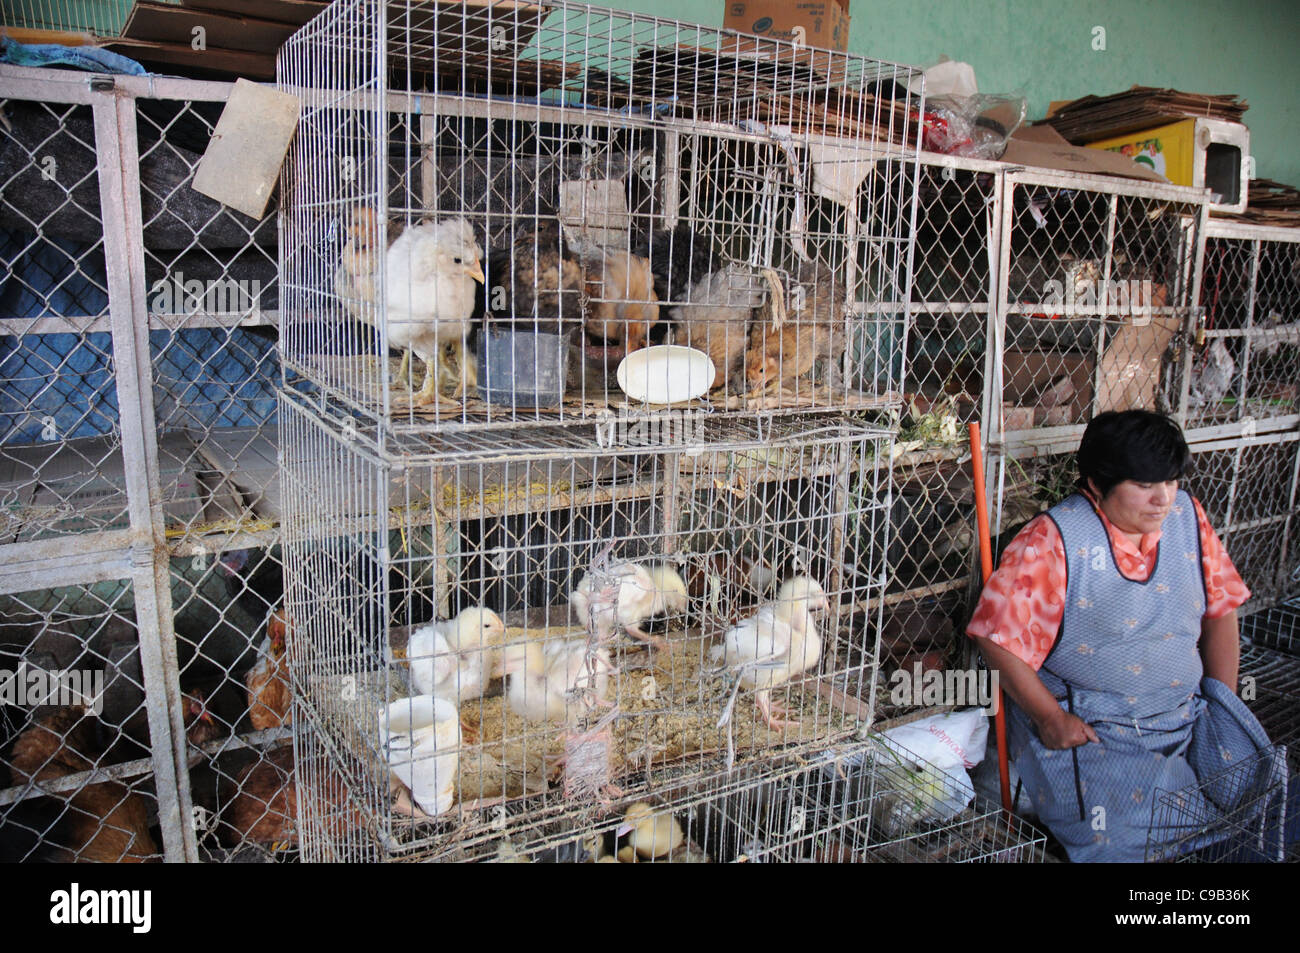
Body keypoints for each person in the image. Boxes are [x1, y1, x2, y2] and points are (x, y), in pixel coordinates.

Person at [967, 410, 1278, 862]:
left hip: (1188, 714)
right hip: (1099, 731)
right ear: (1096, 483)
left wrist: (1222, 703)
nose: (1163, 499)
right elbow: (996, 636)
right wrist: (1051, 720)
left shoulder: (1188, 517)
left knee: (1261, 802)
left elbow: (1222, 609)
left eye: (1170, 481)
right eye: (1145, 485)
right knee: (1123, 836)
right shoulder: (1053, 539)